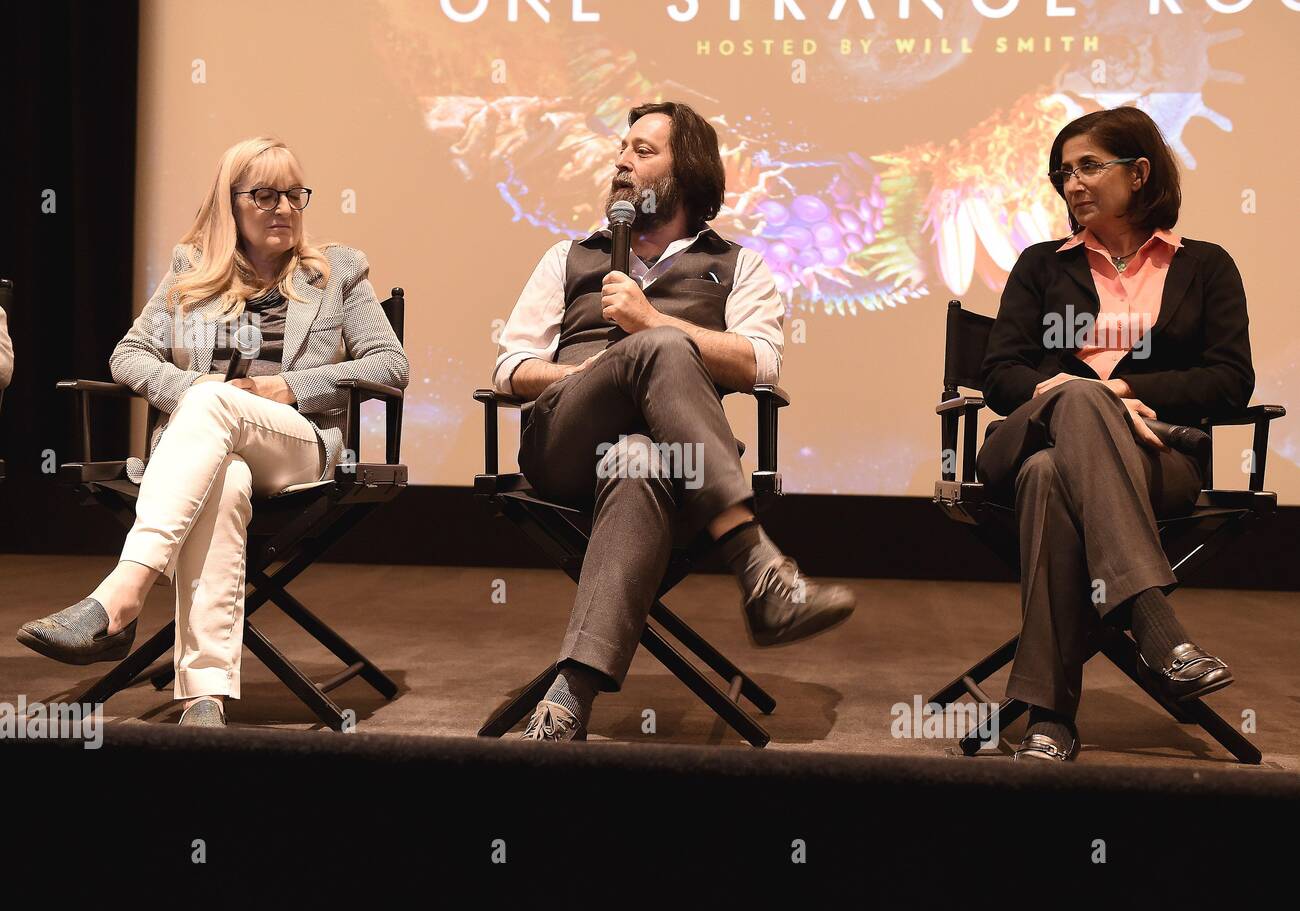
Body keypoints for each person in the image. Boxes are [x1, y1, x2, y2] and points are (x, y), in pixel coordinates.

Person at [494, 101, 856, 742]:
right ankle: (754, 560)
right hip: (565, 444)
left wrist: (652, 323)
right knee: (655, 351)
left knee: (640, 460)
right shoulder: (568, 257)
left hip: (676, 462)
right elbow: (510, 370)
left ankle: (569, 696)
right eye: (622, 149)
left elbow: (761, 365)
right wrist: (613, 366)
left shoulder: (740, 266)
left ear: (685, 169)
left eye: (642, 151)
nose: (621, 162)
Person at [17, 137, 409, 728]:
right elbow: (129, 354)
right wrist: (197, 394)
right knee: (224, 481)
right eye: (265, 194)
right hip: (208, 450)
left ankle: (119, 597)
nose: (284, 208)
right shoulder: (190, 269)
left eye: (294, 194)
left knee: (213, 408)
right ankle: (204, 697)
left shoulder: (337, 271)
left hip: (298, 444)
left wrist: (291, 387)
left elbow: (389, 365)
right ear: (231, 203)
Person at [977, 107, 1253, 761]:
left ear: (1139, 172)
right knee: (1073, 404)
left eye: (1089, 166)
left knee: (1054, 478)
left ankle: (1049, 721)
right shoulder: (1042, 265)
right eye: (1063, 171)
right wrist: (1070, 393)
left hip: (1156, 458)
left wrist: (1123, 394)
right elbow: (998, 374)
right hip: (1030, 438)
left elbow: (1229, 380)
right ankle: (1160, 634)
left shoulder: (1206, 267)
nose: (1072, 182)